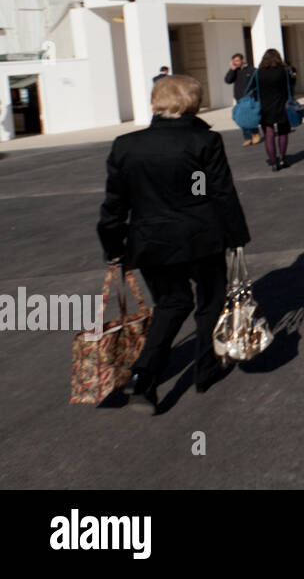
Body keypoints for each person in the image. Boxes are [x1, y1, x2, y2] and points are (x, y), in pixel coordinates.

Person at [97, 75, 250, 412]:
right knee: (210, 300)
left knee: (172, 302)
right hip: (200, 236)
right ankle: (205, 368)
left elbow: (115, 204)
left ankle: (143, 376)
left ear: (155, 104)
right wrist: (236, 236)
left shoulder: (126, 145)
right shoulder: (204, 141)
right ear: (193, 104)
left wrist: (113, 245)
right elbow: (219, 192)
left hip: (150, 240)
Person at [256, 48, 296, 171]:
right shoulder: (283, 71)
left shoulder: (258, 73)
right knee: (283, 132)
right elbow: (291, 85)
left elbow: (254, 89)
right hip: (281, 104)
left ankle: (273, 162)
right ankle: (283, 158)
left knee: (269, 133)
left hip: (264, 106)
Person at [224, 53, 260, 146]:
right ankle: (247, 137)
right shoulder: (235, 71)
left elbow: (258, 83)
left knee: (250, 117)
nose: (235, 63)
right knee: (241, 118)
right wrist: (232, 69)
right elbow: (228, 80)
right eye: (234, 61)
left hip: (250, 98)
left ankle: (255, 133)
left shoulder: (252, 70)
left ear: (242, 60)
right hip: (239, 99)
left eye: (237, 61)